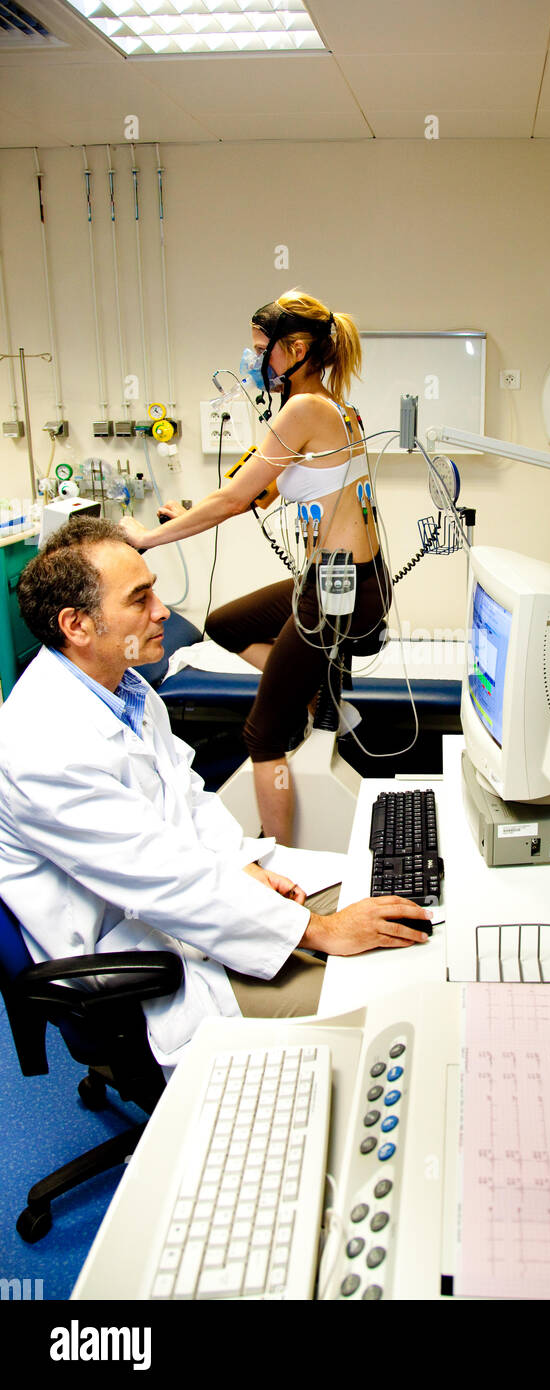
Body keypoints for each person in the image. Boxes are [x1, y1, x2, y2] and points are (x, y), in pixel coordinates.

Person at [0, 518, 428, 1069]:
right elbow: (161, 879)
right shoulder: (42, 746)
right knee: (382, 1002)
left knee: (396, 903)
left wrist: (245, 867)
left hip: (196, 903)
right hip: (145, 960)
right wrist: (320, 932)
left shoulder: (127, 691)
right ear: (77, 625)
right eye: (140, 598)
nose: (163, 611)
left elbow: (191, 800)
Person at [119, 289, 390, 847]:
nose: (252, 361)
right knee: (226, 624)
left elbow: (236, 500)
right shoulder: (334, 406)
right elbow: (256, 490)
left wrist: (147, 538)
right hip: (347, 581)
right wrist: (195, 510)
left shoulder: (304, 408)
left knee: (262, 734)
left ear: (295, 348)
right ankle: (314, 692)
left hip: (338, 589)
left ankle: (282, 866)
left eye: (260, 349)